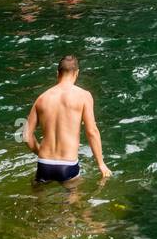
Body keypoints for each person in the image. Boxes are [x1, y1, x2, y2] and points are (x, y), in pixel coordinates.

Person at [24, 54, 111, 182]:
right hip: (68, 165)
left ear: (57, 73)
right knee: (74, 201)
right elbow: (91, 131)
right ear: (77, 73)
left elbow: (26, 135)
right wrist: (101, 164)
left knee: (38, 200)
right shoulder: (83, 96)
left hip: (44, 164)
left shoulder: (42, 98)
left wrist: (40, 152)